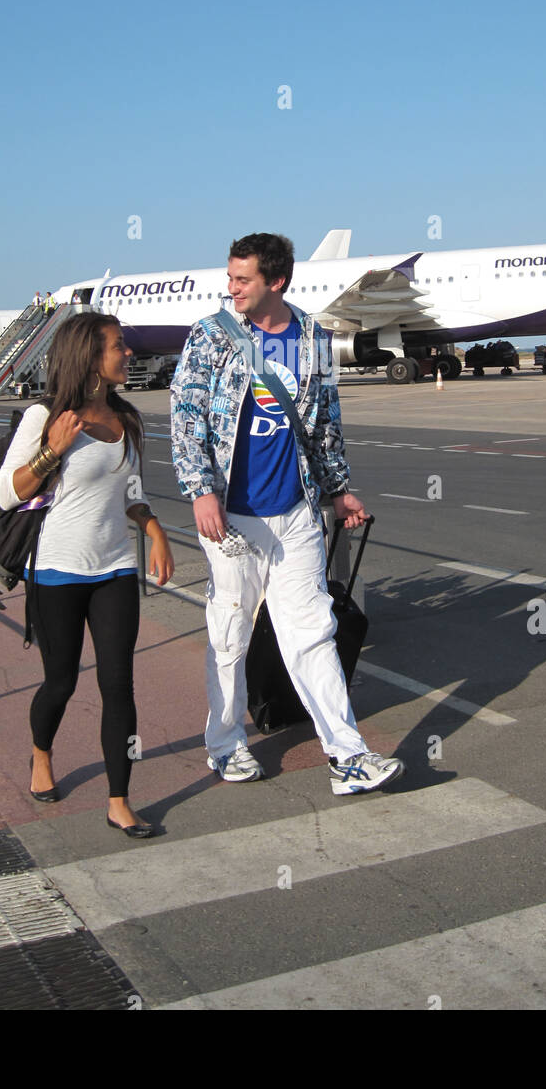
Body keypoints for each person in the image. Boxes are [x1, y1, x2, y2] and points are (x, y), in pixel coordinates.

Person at [170, 232, 404, 795]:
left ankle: (348, 757)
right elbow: (186, 417)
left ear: (277, 281)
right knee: (230, 636)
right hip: (232, 518)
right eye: (229, 277)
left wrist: (338, 490)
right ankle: (225, 745)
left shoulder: (314, 338)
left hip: (295, 513)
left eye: (242, 279)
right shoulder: (211, 336)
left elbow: (324, 425)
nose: (231, 289)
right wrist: (202, 490)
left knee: (313, 634)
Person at [0, 312, 174, 835]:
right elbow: (9, 493)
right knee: (61, 682)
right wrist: (54, 447)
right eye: (119, 346)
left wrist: (155, 529)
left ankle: (119, 801)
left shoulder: (128, 419)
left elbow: (131, 494)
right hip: (55, 573)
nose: (128, 355)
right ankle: (41, 755)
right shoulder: (44, 415)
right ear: (91, 357)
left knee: (120, 686)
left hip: (115, 570)